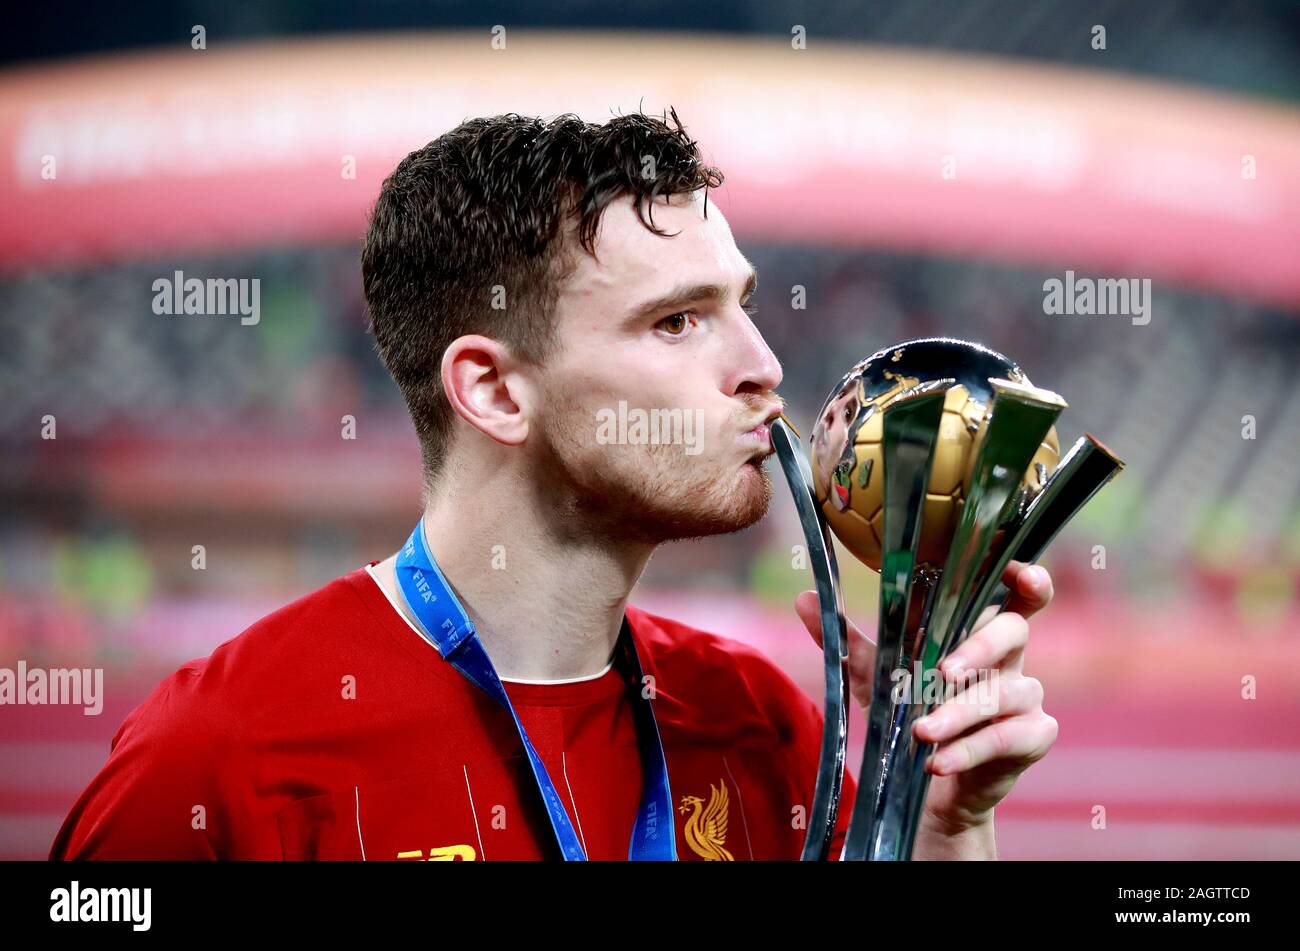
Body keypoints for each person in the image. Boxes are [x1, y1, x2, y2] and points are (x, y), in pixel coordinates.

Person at [51, 109, 1057, 861]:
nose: (763, 363)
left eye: (741, 305)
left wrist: (938, 824)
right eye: (676, 321)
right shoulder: (215, 759)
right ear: (491, 389)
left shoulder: (764, 726)